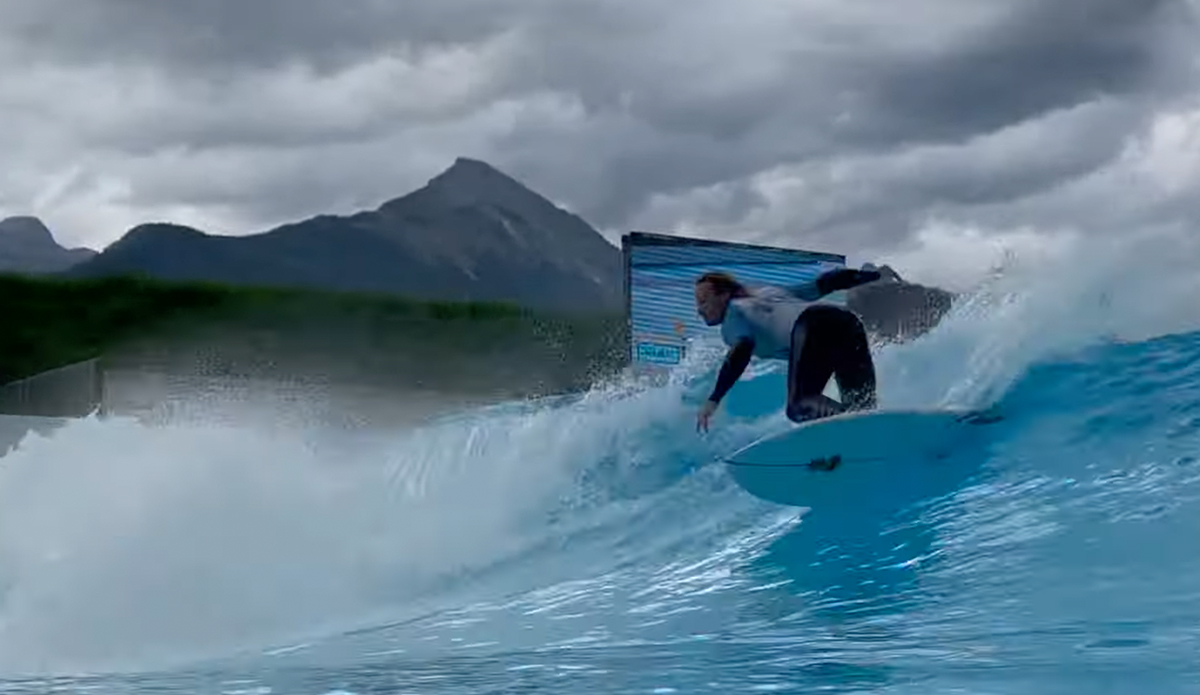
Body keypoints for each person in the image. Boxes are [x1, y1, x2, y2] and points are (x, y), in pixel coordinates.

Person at [693, 263, 883, 432]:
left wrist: (714, 399)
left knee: (800, 406)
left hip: (813, 325)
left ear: (724, 295)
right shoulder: (770, 293)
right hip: (847, 321)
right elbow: (826, 283)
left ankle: (859, 429)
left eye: (703, 301)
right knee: (861, 404)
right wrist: (867, 276)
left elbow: (743, 347)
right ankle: (873, 432)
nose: (699, 309)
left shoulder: (733, 313)